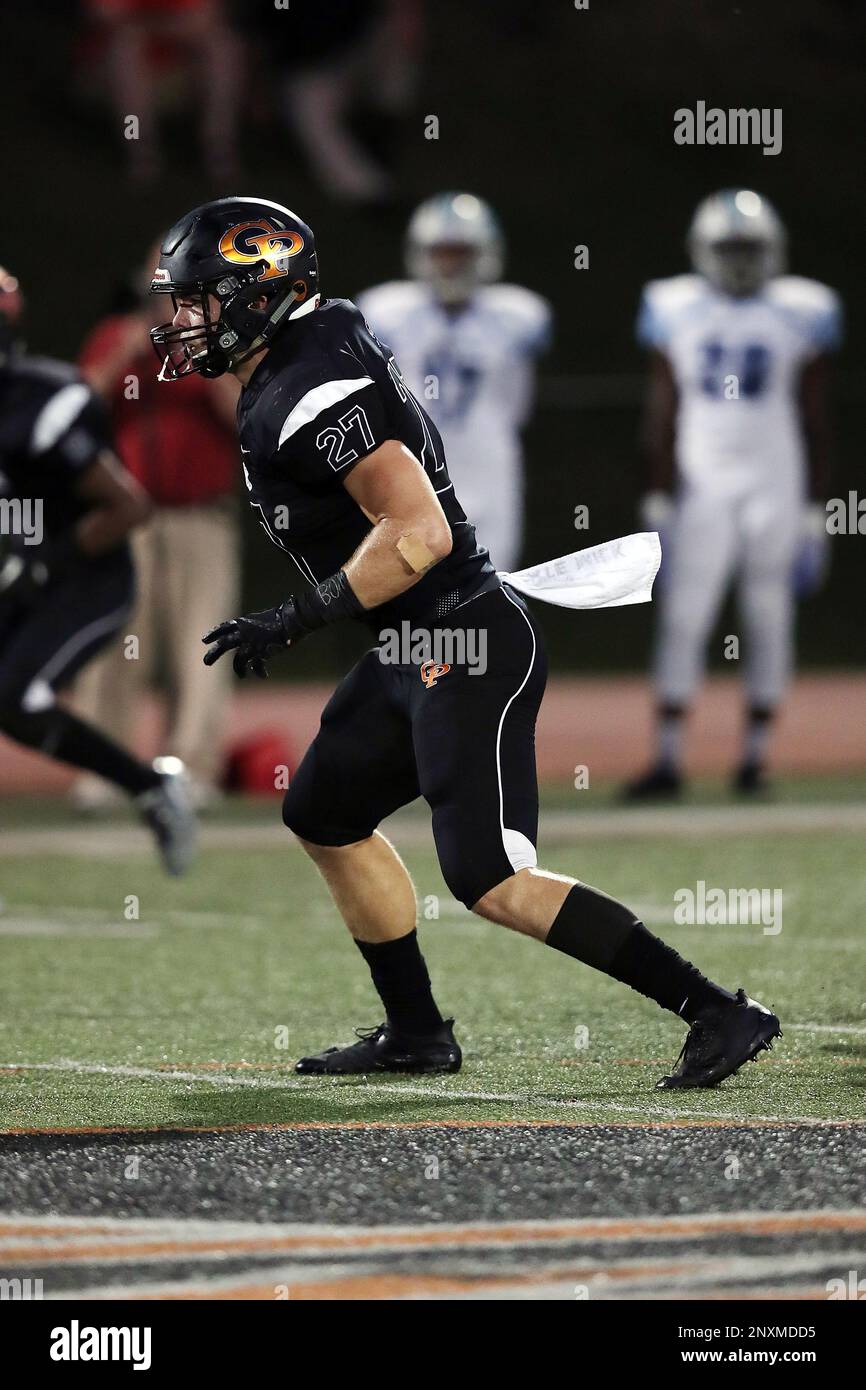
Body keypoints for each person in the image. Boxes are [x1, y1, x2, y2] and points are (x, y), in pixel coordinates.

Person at [149, 196, 780, 1089]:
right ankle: (416, 1034)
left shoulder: (309, 390)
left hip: (463, 639)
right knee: (322, 812)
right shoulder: (307, 347)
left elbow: (421, 532)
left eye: (198, 299)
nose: (181, 321)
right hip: (412, 646)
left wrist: (295, 615)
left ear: (257, 296)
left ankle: (717, 1008)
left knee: (489, 877)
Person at [626, 189, 842, 798]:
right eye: (730, 247)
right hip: (703, 486)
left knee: (767, 612)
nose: (741, 260)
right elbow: (662, 410)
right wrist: (659, 496)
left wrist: (814, 509)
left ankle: (756, 759)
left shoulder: (803, 309)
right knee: (686, 615)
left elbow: (815, 415)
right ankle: (667, 759)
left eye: (750, 247)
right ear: (703, 251)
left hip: (776, 478)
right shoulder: (675, 305)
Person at [0, 266, 196, 873]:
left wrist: (42, 562)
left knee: (20, 700)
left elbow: (128, 507)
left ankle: (150, 787)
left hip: (85, 581)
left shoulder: (41, 403)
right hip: (18, 573)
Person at [72, 244, 241, 810]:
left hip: (201, 518)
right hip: (130, 519)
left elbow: (245, 416)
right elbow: (76, 408)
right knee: (117, 644)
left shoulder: (219, 341)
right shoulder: (117, 335)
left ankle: (193, 768)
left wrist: (198, 353)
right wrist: (126, 350)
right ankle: (106, 766)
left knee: (203, 644)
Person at [357, 193, 550, 574]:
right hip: (415, 474)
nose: (450, 264)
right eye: (442, 252)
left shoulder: (517, 315)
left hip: (490, 467)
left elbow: (518, 403)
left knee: (494, 590)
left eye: (460, 252)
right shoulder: (387, 311)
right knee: (414, 597)